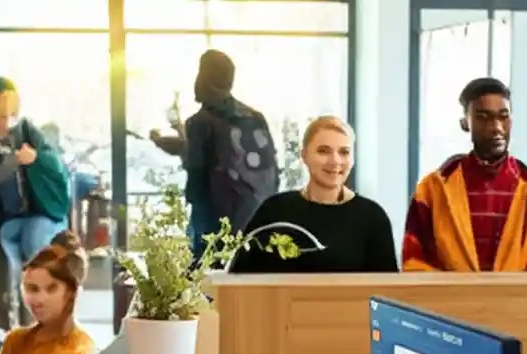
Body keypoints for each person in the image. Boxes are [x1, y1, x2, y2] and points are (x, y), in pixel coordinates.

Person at [403, 77, 527, 273]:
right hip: (447, 294)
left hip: (514, 293)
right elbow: (414, 262)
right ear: (465, 123)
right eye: (483, 117)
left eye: (503, 116)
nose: (497, 127)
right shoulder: (432, 188)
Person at [0, 76, 70, 344]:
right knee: (0, 271)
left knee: (33, 267)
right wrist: (14, 161)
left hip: (32, 213)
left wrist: (35, 158)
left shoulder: (26, 130)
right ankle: (0, 327)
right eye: (3, 105)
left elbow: (52, 159)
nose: (9, 113)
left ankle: (31, 325)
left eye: (13, 104)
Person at [150, 50, 279, 256]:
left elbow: (196, 175)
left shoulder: (200, 121)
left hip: (217, 228)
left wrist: (197, 238)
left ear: (206, 79)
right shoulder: (255, 117)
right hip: (258, 223)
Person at [232, 116, 397, 273]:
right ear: (304, 156)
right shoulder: (273, 210)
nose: (335, 161)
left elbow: (387, 288)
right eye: (323, 151)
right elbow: (239, 279)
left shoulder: (372, 217)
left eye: (344, 152)